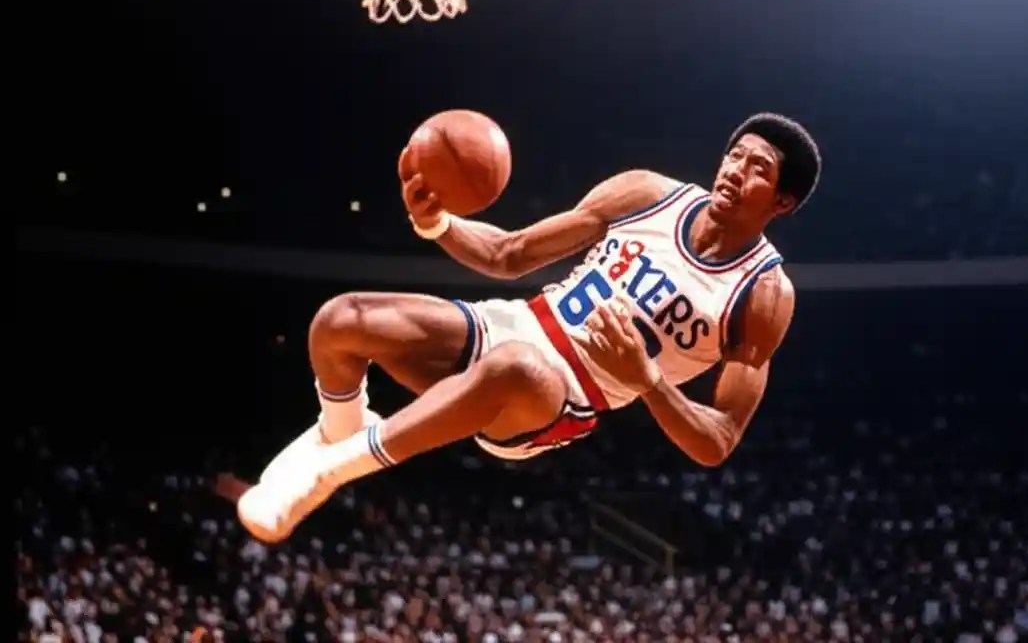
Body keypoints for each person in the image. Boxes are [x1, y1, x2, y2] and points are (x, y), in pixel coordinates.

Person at [230, 112, 821, 543]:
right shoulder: (647, 193)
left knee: (514, 365)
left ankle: (335, 469)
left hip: (557, 398)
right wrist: (438, 224)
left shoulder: (763, 295)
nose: (735, 171)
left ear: (783, 202)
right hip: (511, 324)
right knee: (342, 321)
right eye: (735, 155)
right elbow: (510, 254)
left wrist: (648, 381)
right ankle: (339, 433)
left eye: (758, 169)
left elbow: (717, 441)